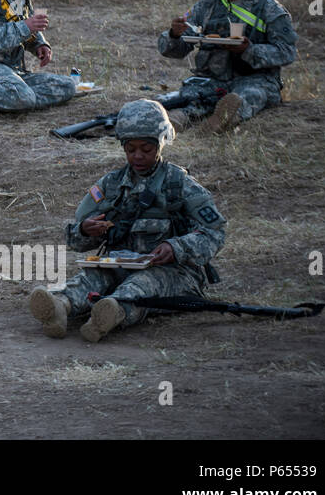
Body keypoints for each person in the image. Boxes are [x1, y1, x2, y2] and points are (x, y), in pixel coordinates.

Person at [28, 99, 226, 342]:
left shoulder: (179, 184)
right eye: (130, 149)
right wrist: (86, 231)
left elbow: (215, 232)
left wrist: (176, 247)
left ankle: (111, 313)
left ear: (161, 143)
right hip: (117, 265)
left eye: (146, 148)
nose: (138, 156)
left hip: (174, 272)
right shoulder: (111, 185)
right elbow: (73, 236)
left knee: (142, 285)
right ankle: (60, 307)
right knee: (90, 277)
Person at [159, 0, 298, 133]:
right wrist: (174, 35)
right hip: (213, 79)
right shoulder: (207, 4)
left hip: (255, 80)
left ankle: (222, 120)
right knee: (188, 96)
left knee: (247, 97)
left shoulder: (268, 9)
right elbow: (176, 48)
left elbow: (287, 52)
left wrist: (249, 50)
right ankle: (178, 119)